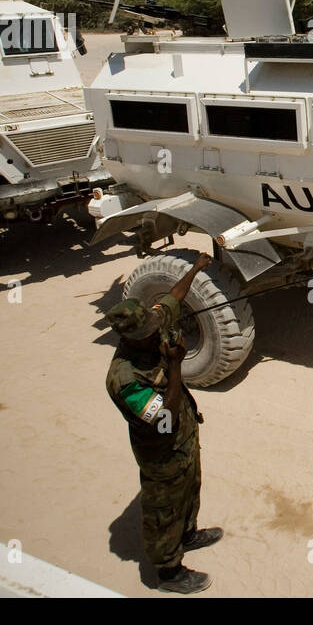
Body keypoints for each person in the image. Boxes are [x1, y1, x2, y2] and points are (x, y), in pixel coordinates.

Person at [105, 252, 223, 594]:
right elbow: (165, 420)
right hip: (162, 452)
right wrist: (175, 365)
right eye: (147, 334)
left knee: (189, 489)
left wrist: (196, 268)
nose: (156, 334)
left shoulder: (150, 326)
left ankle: (188, 534)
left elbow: (174, 298)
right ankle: (169, 571)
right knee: (163, 508)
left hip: (185, 441)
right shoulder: (124, 380)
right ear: (127, 339)